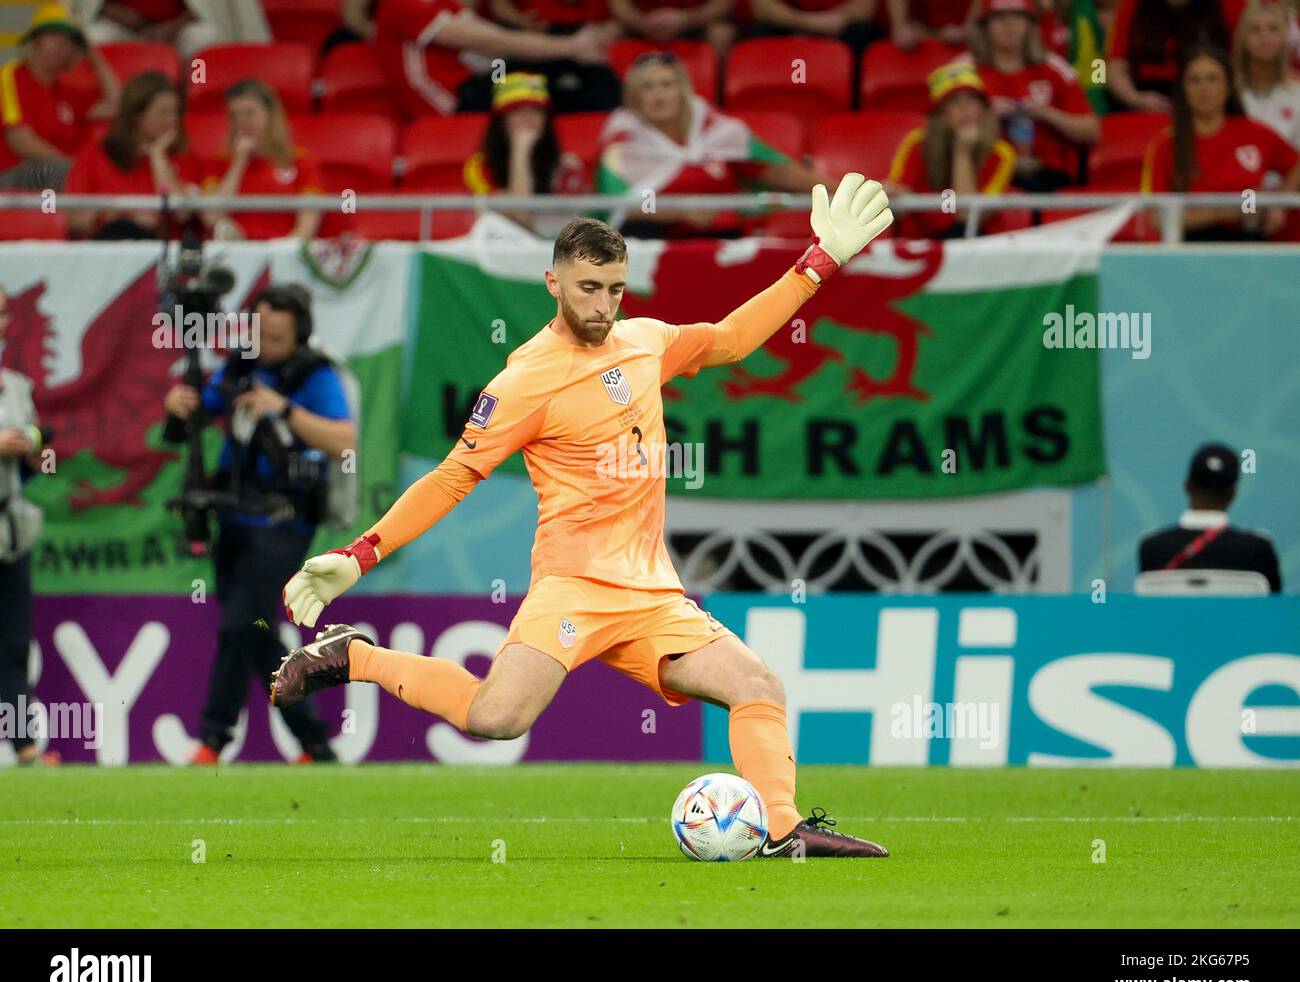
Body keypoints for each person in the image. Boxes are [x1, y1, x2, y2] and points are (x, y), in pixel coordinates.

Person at [274, 175, 897, 858]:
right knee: (496, 717)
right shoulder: (524, 382)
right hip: (572, 586)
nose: (602, 306)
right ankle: (356, 655)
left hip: (653, 595)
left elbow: (731, 339)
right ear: (553, 283)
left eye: (615, 290)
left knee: (758, 685)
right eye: (588, 288)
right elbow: (453, 478)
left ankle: (782, 829)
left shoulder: (645, 342)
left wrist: (817, 263)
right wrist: (360, 553)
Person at [161, 285, 358, 764]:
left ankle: (214, 740)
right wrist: (179, 405)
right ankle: (313, 745)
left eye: (276, 338)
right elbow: (199, 411)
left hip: (283, 523)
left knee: (239, 626)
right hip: (233, 516)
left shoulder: (315, 373)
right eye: (260, 334)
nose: (264, 346)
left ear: (300, 334)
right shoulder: (240, 365)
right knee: (251, 628)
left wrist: (282, 407)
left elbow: (344, 440)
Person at [596, 50, 835, 238]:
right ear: (634, 96)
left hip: (724, 238)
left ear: (682, 91)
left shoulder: (717, 131)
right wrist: (679, 213)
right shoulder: (621, 141)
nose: (658, 94)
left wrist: (842, 191)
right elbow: (618, 203)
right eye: (648, 87)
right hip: (651, 243)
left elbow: (778, 173)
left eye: (667, 85)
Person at [1140, 45, 1300, 239]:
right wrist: (1223, 212)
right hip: (1189, 246)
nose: (1204, 88)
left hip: (1249, 241)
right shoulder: (1165, 144)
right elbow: (1156, 218)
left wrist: (1279, 205)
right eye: (1194, 80)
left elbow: (1294, 166)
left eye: (1213, 79)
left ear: (1228, 86)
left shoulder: (1255, 133)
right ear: (1183, 88)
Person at [371, 0, 617, 118]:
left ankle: (608, 108)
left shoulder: (438, 3)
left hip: (477, 84)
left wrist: (569, 45)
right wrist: (572, 46)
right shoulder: (401, 5)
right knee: (557, 51)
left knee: (554, 87)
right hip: (454, 105)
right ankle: (613, 103)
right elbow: (494, 42)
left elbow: (495, 38)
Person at [0, 287, 58, 767]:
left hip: (9, 525)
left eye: (1, 312)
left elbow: (38, 459)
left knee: (14, 641)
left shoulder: (16, 386)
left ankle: (24, 746)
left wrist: (36, 454)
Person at [964, 0, 1099, 190]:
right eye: (999, 17)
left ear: (1030, 25)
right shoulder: (964, 71)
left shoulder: (1054, 68)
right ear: (984, 25)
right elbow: (940, 133)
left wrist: (1045, 113)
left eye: (1017, 16)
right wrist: (986, 116)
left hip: (1046, 175)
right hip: (981, 173)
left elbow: (1092, 131)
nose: (1009, 25)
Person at [885, 61, 1017, 238]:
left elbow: (967, 215)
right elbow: (896, 193)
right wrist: (892, 192)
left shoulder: (1001, 154)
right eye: (954, 101)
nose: (964, 108)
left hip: (975, 243)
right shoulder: (917, 143)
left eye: (972, 99)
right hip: (923, 240)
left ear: (984, 109)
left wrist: (962, 151)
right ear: (939, 114)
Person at [63, 70, 201, 238]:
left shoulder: (184, 158)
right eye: (163, 112)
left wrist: (158, 157)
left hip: (159, 245)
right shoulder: (95, 155)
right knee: (122, 228)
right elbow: (74, 219)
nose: (173, 120)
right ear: (138, 116)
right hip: (107, 243)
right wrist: (116, 212)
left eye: (175, 112)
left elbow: (181, 214)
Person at [0, 3, 119, 190]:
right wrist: (75, 167)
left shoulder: (65, 92)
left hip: (59, 177)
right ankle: (59, 208)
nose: (61, 45)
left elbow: (115, 106)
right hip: (11, 177)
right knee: (60, 171)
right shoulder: (11, 76)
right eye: (53, 35)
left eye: (69, 40)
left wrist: (94, 57)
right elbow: (20, 140)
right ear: (35, 40)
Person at [1138, 442, 1282, 592]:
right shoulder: (1259, 550)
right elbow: (1275, 605)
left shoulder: (1151, 548)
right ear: (1233, 494)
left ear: (1187, 486)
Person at [463, 72, 587, 233]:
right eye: (517, 111)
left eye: (536, 110)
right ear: (501, 121)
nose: (528, 118)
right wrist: (520, 151)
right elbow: (518, 213)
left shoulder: (569, 167)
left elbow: (564, 230)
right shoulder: (478, 167)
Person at [202, 78, 323, 242]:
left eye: (249, 113)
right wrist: (239, 162)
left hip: (282, 250)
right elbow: (211, 218)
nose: (241, 122)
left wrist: (275, 252)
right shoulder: (218, 162)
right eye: (234, 115)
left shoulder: (301, 161)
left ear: (270, 115)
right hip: (235, 250)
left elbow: (307, 228)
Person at [1104, 0, 1239, 111]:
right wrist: (1136, 99)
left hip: (1211, 96)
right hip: (1146, 98)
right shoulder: (1132, 4)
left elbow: (1240, 63)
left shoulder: (1229, 4)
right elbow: (1115, 66)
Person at [1234, 0, 1300, 153]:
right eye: (1255, 29)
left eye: (1273, 29)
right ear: (1242, 38)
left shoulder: (1298, 93)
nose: (1264, 35)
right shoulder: (1227, 92)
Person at [84, 0, 222, 60]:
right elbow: (96, 5)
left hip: (172, 32)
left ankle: (193, 91)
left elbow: (201, 8)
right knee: (95, 37)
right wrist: (124, 17)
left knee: (204, 36)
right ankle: (109, 98)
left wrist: (172, 28)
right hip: (126, 30)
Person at [608, 0, 738, 54]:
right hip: (645, 25)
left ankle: (718, 100)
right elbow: (620, 7)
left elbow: (722, 5)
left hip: (696, 23)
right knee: (609, 34)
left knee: (721, 34)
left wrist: (686, 19)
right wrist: (644, 23)